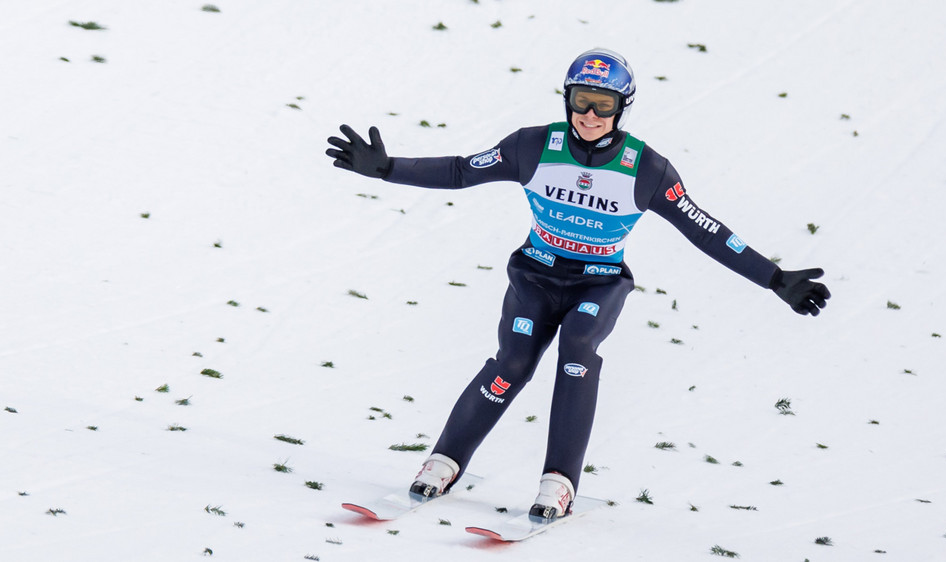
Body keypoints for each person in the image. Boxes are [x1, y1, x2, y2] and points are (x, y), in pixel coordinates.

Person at [326, 48, 830, 522]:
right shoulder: (532, 146)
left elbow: (704, 229)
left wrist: (774, 278)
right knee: (513, 362)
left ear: (622, 109)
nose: (589, 115)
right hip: (535, 275)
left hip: (599, 284)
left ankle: (558, 482)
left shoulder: (646, 169)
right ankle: (444, 460)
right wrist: (388, 169)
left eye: (603, 106)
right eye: (580, 102)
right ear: (567, 100)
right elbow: (461, 171)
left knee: (577, 351)